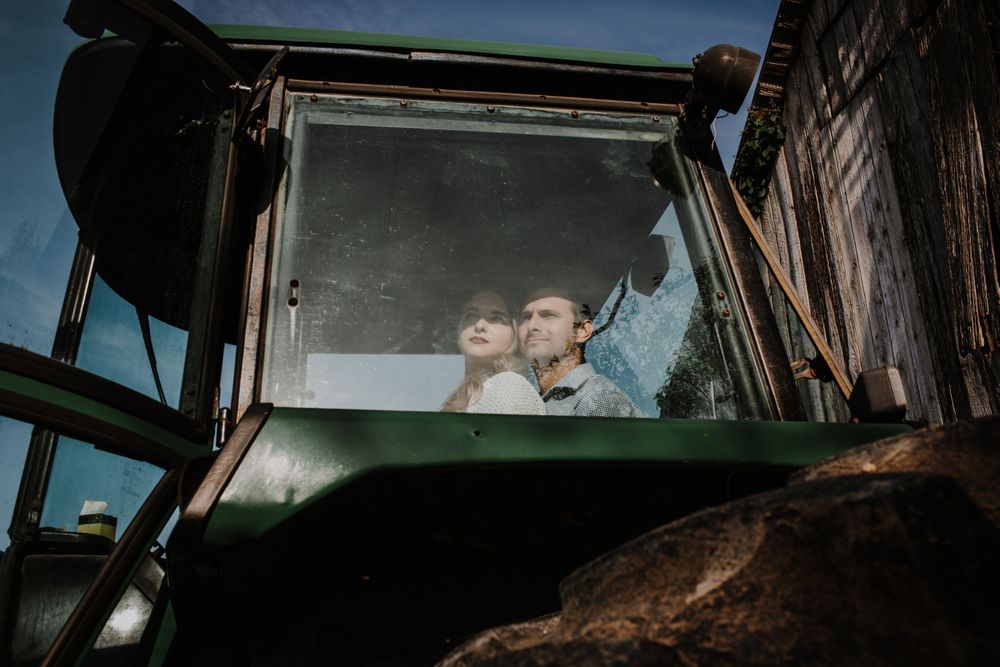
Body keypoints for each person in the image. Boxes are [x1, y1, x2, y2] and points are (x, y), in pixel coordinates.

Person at [518, 289, 645, 417]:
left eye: (548, 315)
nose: (532, 326)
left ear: (582, 331)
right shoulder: (535, 400)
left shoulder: (600, 398)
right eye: (526, 318)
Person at [441, 290, 546, 415]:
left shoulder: (509, 387)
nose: (479, 325)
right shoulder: (463, 393)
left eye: (496, 318)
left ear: (515, 333)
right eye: (471, 315)